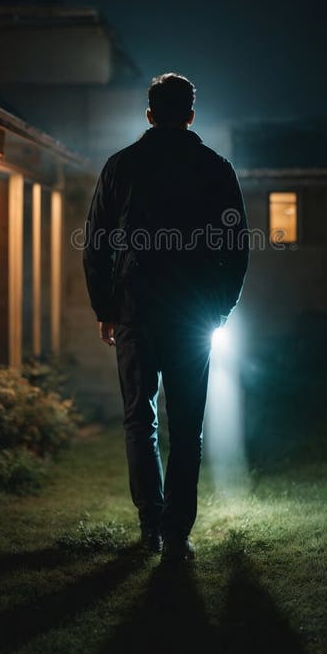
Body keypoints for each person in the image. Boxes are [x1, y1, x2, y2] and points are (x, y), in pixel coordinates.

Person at [83, 73, 249, 562]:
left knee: (141, 421)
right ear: (191, 115)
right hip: (193, 318)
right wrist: (220, 306)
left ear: (150, 114)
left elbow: (96, 244)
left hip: (136, 312)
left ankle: (150, 527)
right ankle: (177, 534)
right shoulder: (215, 167)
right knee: (187, 427)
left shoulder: (121, 166)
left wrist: (105, 309)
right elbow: (235, 247)